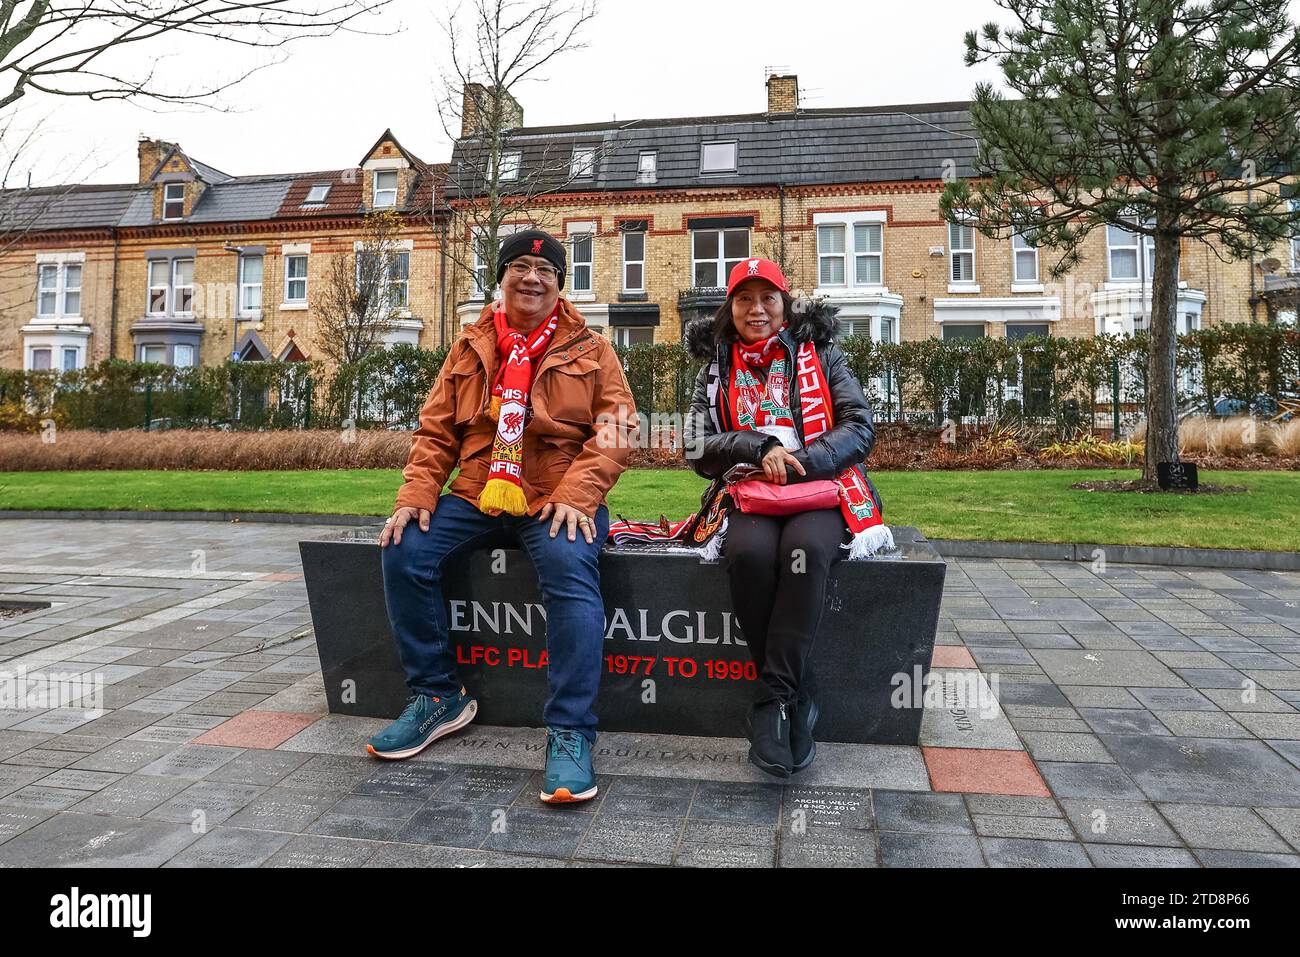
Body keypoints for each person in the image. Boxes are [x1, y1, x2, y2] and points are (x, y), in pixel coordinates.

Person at [371, 229, 637, 805]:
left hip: (557, 492)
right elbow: (436, 430)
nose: (532, 278)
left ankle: (569, 732)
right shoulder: (470, 346)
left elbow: (616, 429)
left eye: (545, 271)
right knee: (403, 548)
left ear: (561, 284)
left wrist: (579, 492)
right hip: (474, 488)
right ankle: (439, 696)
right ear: (502, 277)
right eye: (519, 267)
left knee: (570, 570)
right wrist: (417, 493)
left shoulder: (591, 348)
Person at [683, 257, 889, 778]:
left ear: (785, 302)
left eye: (767, 298)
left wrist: (804, 461)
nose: (757, 309)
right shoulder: (715, 364)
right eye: (744, 299)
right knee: (749, 554)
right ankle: (798, 698)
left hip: (822, 484)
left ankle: (771, 701)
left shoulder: (822, 351)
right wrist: (758, 446)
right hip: (749, 487)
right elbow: (694, 446)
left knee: (805, 552)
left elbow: (860, 426)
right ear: (730, 308)